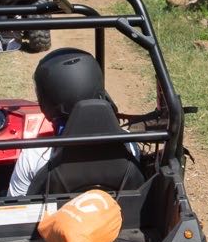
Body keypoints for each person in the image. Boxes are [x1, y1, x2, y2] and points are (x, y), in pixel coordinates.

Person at [7, 47, 136, 198]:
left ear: (46, 101)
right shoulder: (128, 144)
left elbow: (15, 206)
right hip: (123, 219)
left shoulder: (33, 154)